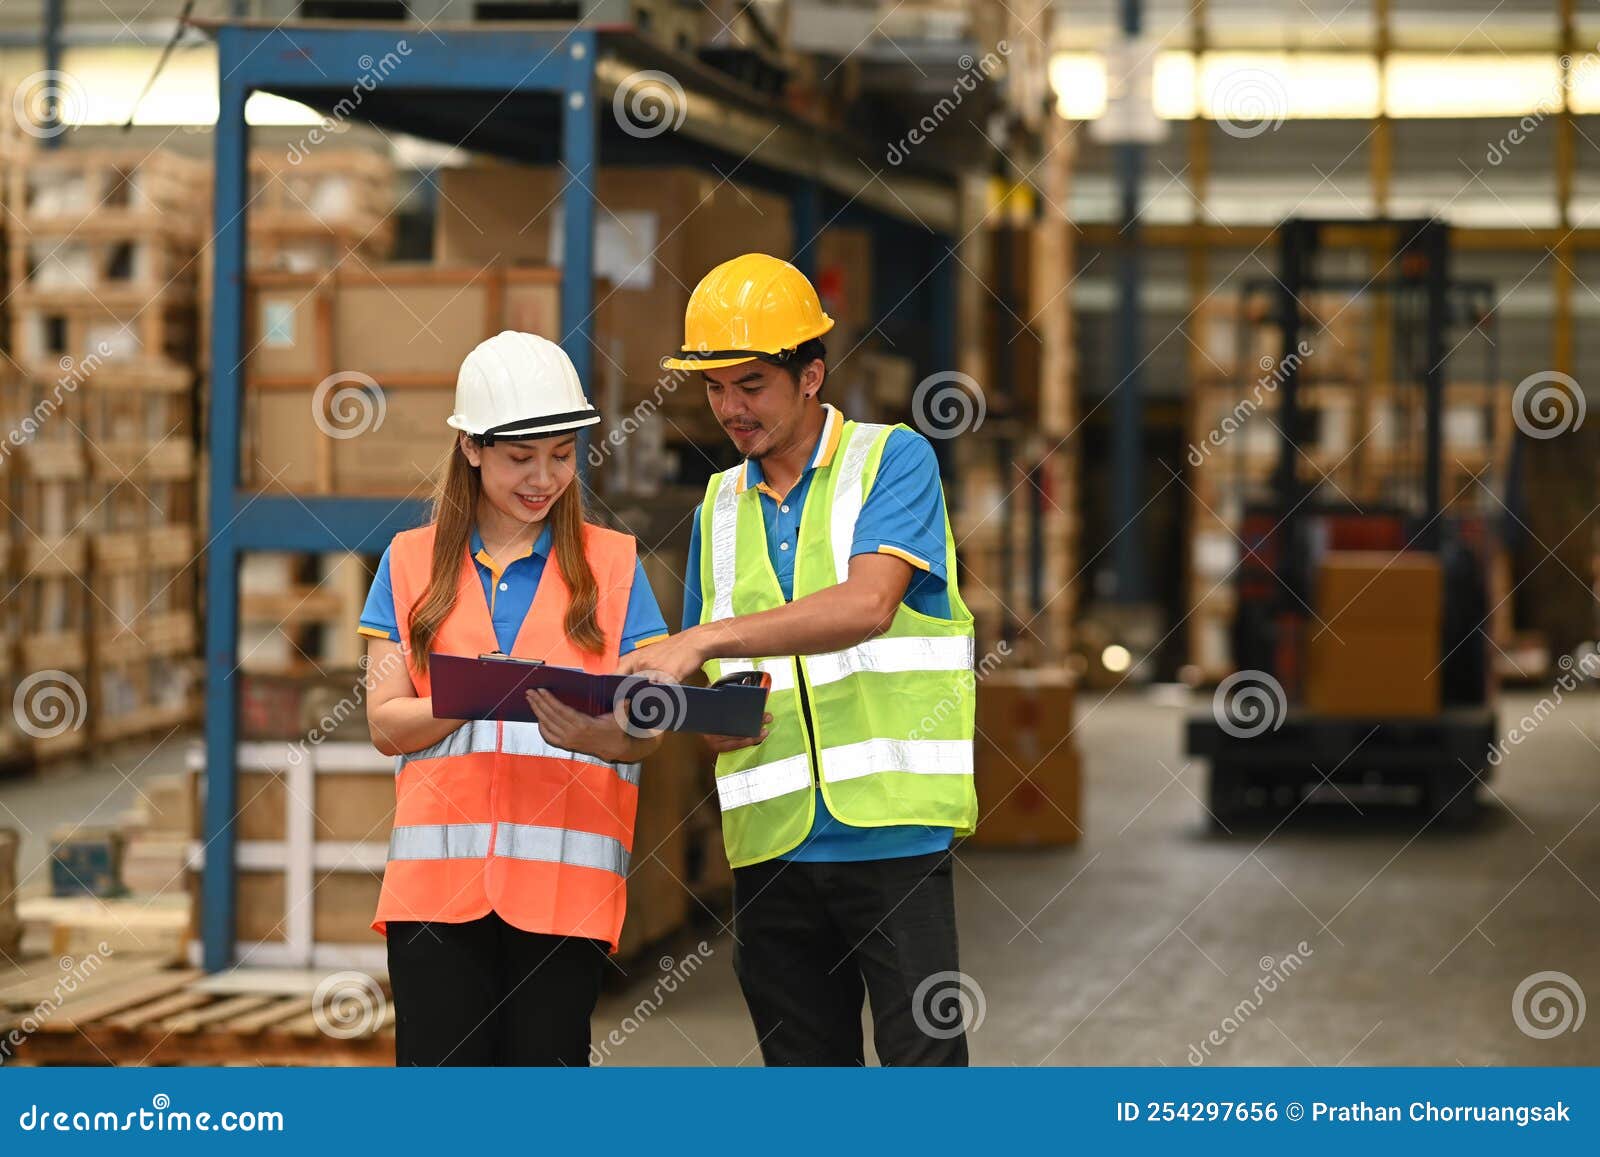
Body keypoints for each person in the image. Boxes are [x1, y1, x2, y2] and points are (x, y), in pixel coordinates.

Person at [617, 254, 978, 1066]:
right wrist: (705, 714)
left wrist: (705, 641)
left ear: (810, 374)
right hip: (772, 847)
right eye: (714, 389)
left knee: (925, 1071)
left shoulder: (893, 459)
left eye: (751, 385)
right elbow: (713, 697)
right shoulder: (718, 507)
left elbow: (867, 604)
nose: (730, 409)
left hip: (890, 830)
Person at [360, 331, 669, 1066]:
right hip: (435, 899)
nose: (544, 477)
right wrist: (474, 697)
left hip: (564, 895)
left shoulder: (614, 565)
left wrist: (597, 734)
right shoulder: (407, 561)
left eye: (562, 455)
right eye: (520, 458)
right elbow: (383, 721)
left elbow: (649, 727)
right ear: (470, 447)